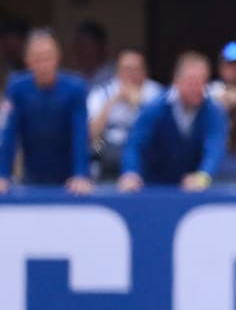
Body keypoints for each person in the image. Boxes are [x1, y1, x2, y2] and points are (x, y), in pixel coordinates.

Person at [118, 52, 227, 192]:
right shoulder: (155, 107)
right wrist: (130, 173)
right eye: (192, 82)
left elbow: (214, 148)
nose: (197, 87)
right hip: (153, 187)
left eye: (202, 82)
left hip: (193, 189)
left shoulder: (214, 112)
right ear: (177, 81)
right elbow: (135, 143)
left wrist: (202, 177)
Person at [0, 31, 92, 194]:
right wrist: (3, 175)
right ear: (28, 61)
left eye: (47, 57)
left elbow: (80, 134)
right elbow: (9, 134)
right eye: (37, 58)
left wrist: (81, 174)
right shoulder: (17, 87)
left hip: (69, 175)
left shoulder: (75, 87)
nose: (43, 64)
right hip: (32, 172)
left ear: (57, 58)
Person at [88, 49, 163, 180]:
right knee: (96, 146)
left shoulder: (156, 93)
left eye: (135, 69)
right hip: (107, 149)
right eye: (126, 69)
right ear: (117, 71)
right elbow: (92, 133)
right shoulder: (101, 92)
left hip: (146, 150)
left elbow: (163, 133)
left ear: (144, 72)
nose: (131, 74)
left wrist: (140, 105)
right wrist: (112, 102)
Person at [72, 20, 113, 90]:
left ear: (101, 46)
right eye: (78, 46)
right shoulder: (74, 79)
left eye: (85, 46)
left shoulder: (115, 75)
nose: (80, 51)